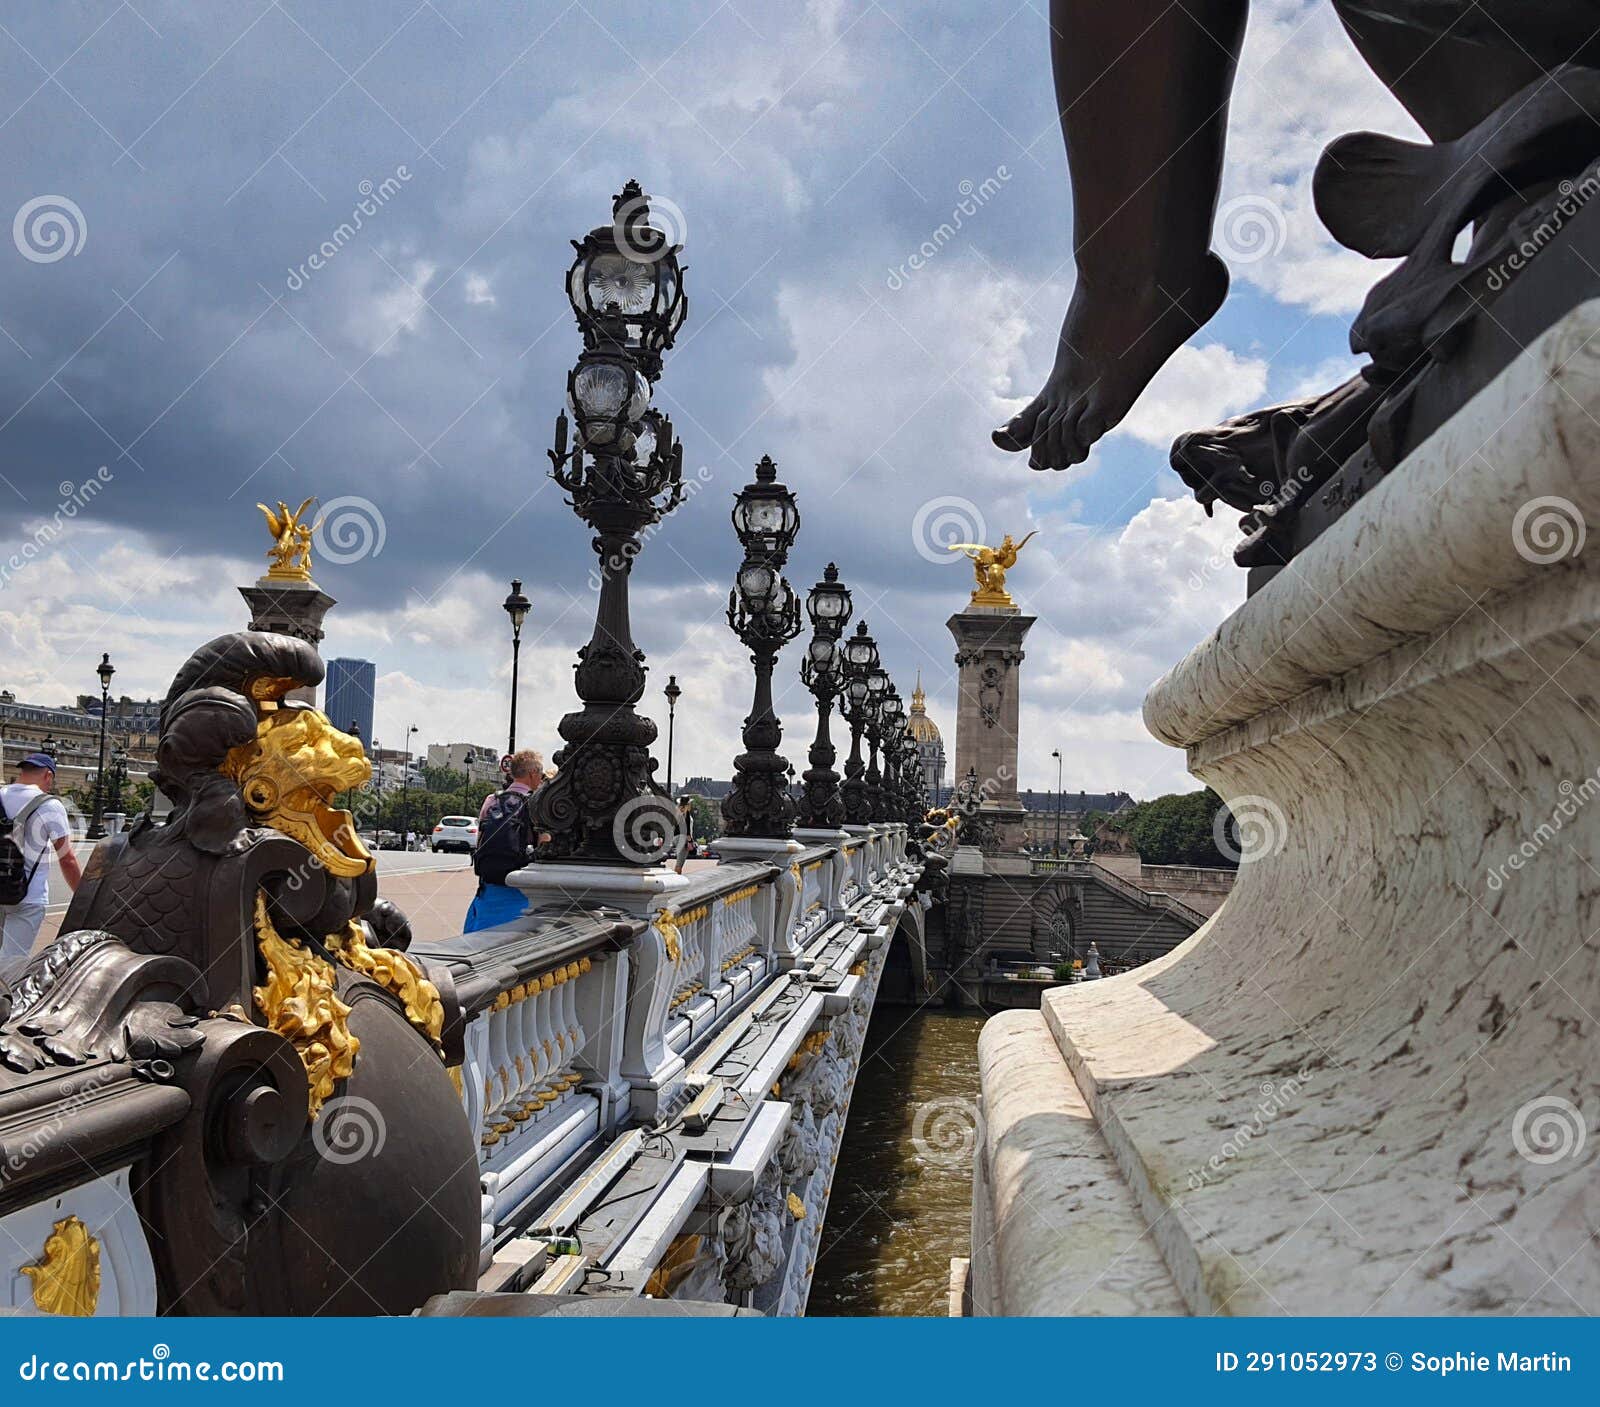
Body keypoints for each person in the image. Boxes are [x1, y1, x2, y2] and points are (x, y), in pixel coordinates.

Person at [0, 753, 82, 968]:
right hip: (28, 897)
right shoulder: (50, 805)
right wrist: (82, 894)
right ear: (48, 775)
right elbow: (67, 859)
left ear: (22, 772)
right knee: (11, 962)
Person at [464, 749, 542, 933]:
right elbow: (543, 844)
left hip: (489, 886)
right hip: (520, 890)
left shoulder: (492, 800)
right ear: (532, 773)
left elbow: (480, 840)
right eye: (540, 773)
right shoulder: (536, 803)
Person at [672, 794, 697, 875]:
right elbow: (687, 830)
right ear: (687, 805)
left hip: (676, 838)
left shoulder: (678, 813)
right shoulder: (687, 815)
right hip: (683, 839)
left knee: (679, 862)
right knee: (680, 863)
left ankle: (676, 878)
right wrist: (690, 841)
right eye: (690, 804)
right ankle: (676, 880)